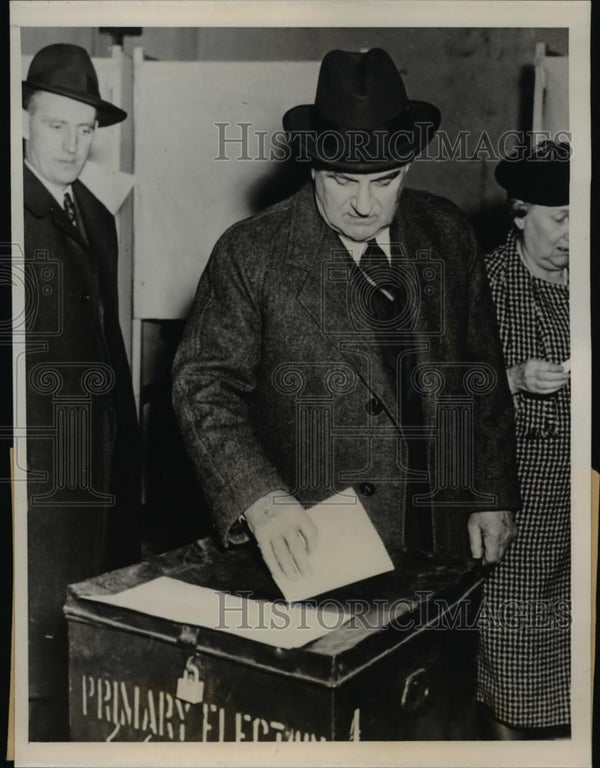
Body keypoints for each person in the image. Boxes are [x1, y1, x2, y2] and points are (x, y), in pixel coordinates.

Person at [173, 48, 519, 589]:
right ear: (313, 168)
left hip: (443, 526)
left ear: (407, 167)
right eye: (342, 180)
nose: (364, 204)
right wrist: (262, 500)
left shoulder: (448, 232)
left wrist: (491, 491)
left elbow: (483, 371)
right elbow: (203, 388)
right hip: (317, 537)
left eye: (385, 181)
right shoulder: (251, 252)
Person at [23, 43, 140, 740]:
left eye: (85, 129)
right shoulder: (11, 209)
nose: (71, 145)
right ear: (26, 122)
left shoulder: (97, 213)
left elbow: (111, 345)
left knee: (93, 649)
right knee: (37, 662)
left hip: (101, 464)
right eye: (55, 126)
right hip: (38, 477)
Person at [477, 141, 571, 739]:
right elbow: (439, 391)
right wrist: (512, 379)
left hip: (577, 504)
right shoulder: (483, 283)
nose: (573, 236)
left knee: (570, 655)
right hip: (515, 508)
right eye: (560, 219)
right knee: (510, 658)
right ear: (519, 212)